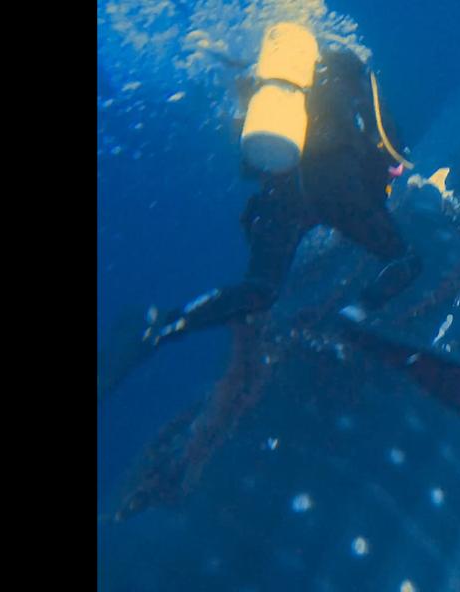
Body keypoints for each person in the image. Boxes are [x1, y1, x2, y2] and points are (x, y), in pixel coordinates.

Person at [98, 27, 421, 399]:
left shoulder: (273, 83)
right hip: (335, 187)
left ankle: (158, 326)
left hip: (281, 191)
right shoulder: (353, 72)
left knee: (261, 288)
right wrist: (388, 179)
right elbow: (390, 149)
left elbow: (249, 155)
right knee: (405, 262)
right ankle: (348, 322)